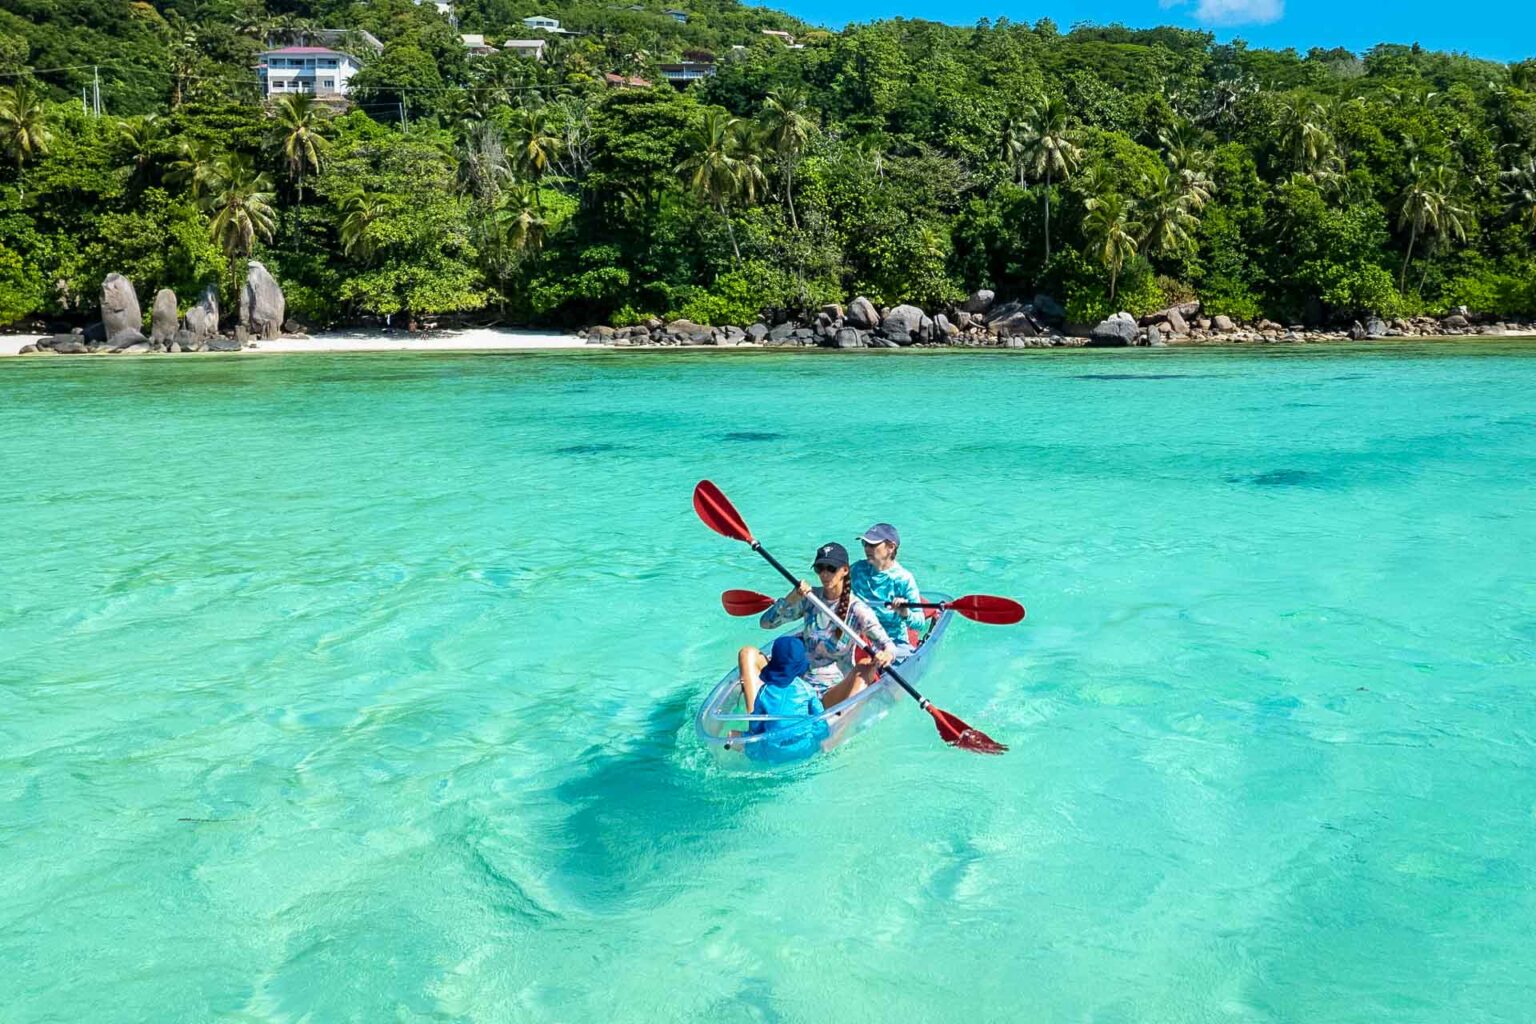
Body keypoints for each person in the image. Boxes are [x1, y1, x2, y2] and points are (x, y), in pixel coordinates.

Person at [739, 541, 897, 711]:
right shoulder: (810, 598)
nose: (824, 574)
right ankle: (754, 718)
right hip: (795, 683)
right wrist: (790, 599)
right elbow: (766, 624)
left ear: (845, 570)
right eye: (820, 568)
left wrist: (886, 655)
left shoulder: (857, 610)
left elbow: (888, 646)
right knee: (748, 653)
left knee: (866, 666)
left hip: (830, 692)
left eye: (831, 568)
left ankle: (839, 724)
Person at [740, 635, 829, 762]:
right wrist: (819, 741)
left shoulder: (764, 692)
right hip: (805, 749)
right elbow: (821, 722)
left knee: (736, 737)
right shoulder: (807, 689)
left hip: (773, 753)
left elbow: (756, 726)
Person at [850, 522, 925, 653]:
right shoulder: (856, 570)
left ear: (891, 547)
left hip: (892, 641)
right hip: (858, 637)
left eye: (872, 545)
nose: (866, 549)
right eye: (865, 544)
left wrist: (905, 613)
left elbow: (920, 622)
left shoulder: (904, 579)